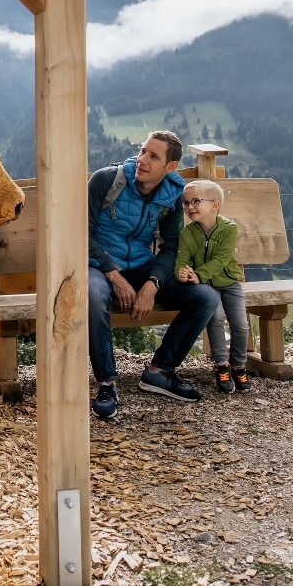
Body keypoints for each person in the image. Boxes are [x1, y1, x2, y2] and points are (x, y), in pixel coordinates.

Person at [88, 131, 220, 419]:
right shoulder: (106, 180)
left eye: (153, 156)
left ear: (169, 167)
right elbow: (81, 233)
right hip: (97, 266)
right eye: (143, 151)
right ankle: (107, 383)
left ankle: (159, 371)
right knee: (92, 294)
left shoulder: (173, 196)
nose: (142, 160)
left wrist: (153, 283)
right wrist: (114, 275)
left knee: (206, 297)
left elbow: (171, 246)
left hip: (142, 267)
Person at [175, 179, 251, 394]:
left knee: (241, 325)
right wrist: (182, 273)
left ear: (215, 205)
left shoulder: (229, 229)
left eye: (196, 201)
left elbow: (220, 260)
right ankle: (221, 365)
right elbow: (182, 259)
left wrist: (198, 274)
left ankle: (238, 364)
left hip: (229, 284)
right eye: (186, 203)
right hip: (207, 287)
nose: (190, 207)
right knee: (215, 319)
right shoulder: (187, 233)